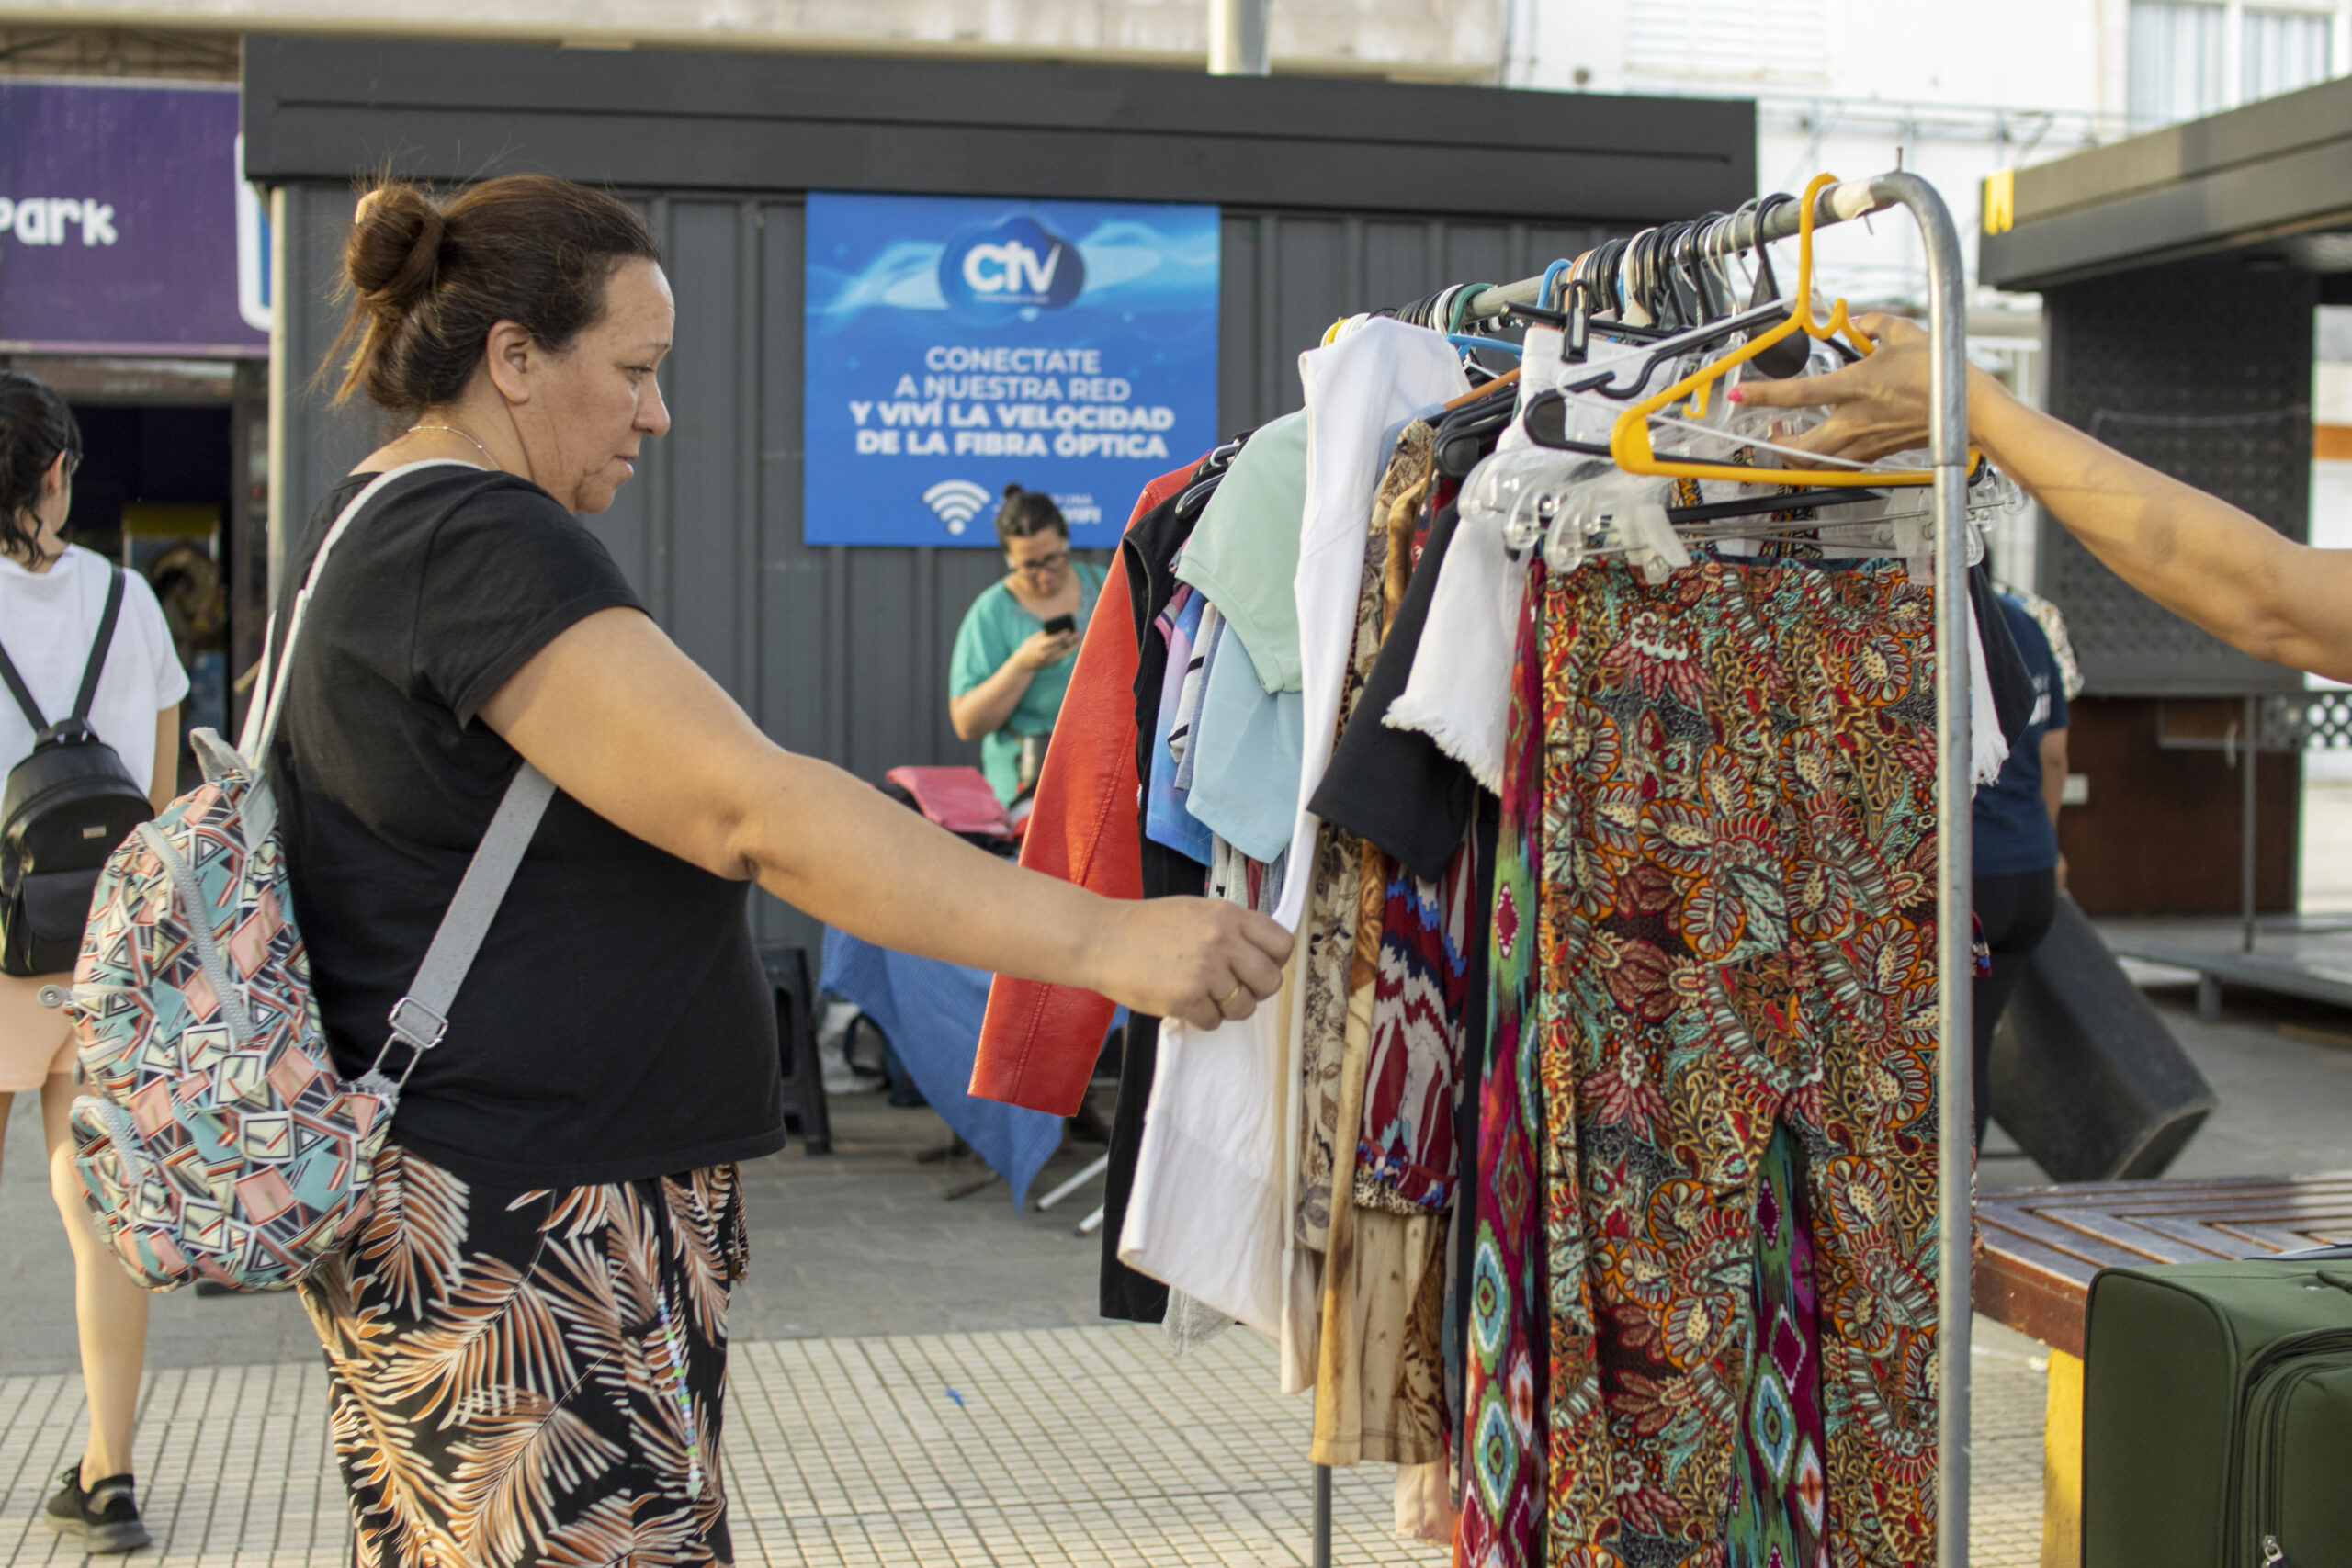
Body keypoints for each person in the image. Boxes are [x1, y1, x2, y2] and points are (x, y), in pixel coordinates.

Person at [280, 175, 1287, 1568]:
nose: (658, 412)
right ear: (514, 357)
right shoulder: (469, 539)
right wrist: (1110, 940)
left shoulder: (373, 520)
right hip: (531, 1238)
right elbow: (756, 809)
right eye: (633, 371)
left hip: (476, 1213)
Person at [0, 371, 186, 1554]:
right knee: (102, 1214)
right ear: (59, 473)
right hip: (105, 955)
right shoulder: (133, 604)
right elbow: (163, 807)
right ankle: (108, 1476)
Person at [1969, 592, 2070, 1147]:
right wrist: (2048, 842)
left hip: (1969, 880)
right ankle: (1966, 1204)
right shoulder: (2029, 627)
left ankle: (1946, 1213)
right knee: (1973, 1045)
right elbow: (2055, 753)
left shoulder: (1928, 618)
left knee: (1937, 1059)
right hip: (2031, 874)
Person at [947, 485, 1106, 805]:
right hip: (1026, 788)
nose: (1045, 576)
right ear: (1009, 558)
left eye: (1053, 560)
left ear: (1067, 541)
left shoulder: (1107, 586)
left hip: (1101, 777)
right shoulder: (991, 612)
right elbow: (967, 723)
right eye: (1029, 566)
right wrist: (1022, 665)